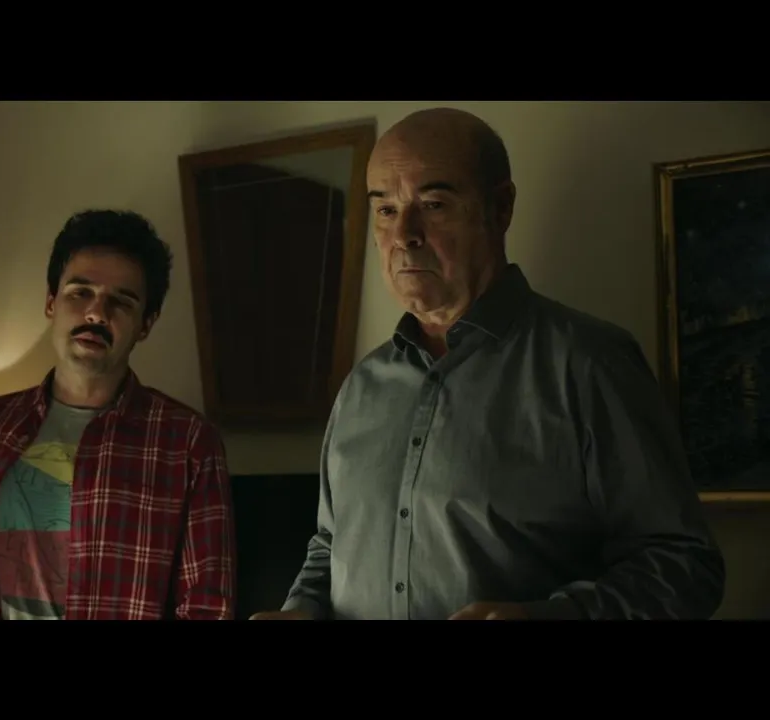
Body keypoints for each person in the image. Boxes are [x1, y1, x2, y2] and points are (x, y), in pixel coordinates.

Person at [251, 108, 726, 621]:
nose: (404, 235)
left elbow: (685, 566)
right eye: (385, 209)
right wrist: (301, 609)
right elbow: (329, 545)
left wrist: (549, 618)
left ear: (500, 208)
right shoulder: (361, 387)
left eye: (433, 204)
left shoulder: (590, 365)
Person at [0, 209, 236, 620]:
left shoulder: (188, 442)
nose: (96, 313)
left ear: (146, 324)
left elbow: (207, 605)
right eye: (80, 293)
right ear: (51, 302)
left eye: (121, 301)